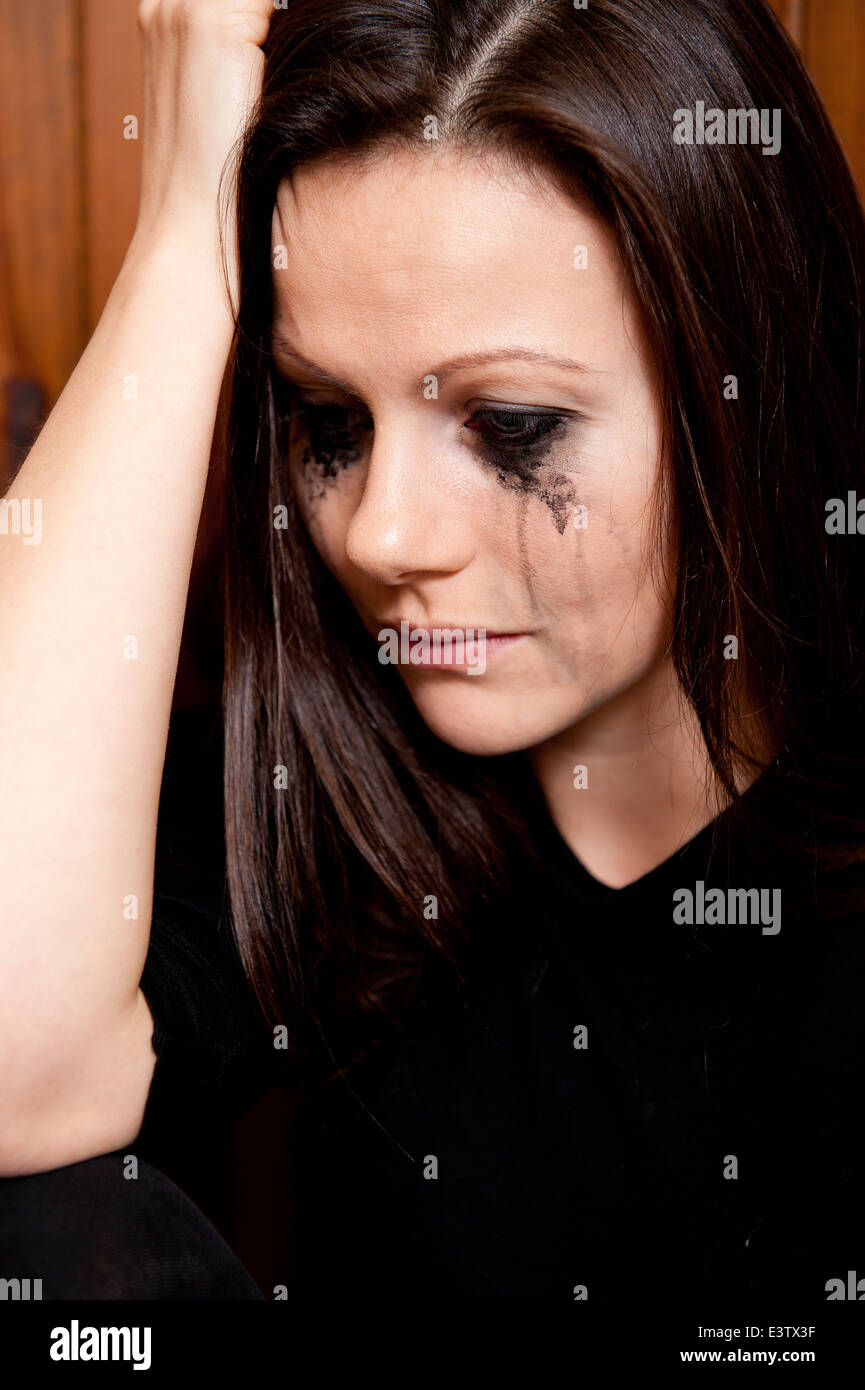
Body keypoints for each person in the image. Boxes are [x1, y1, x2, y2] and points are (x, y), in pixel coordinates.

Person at [1, 0, 864, 1303]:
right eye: (328, 419)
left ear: (738, 396)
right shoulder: (322, 797)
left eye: (509, 423)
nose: (380, 531)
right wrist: (182, 244)